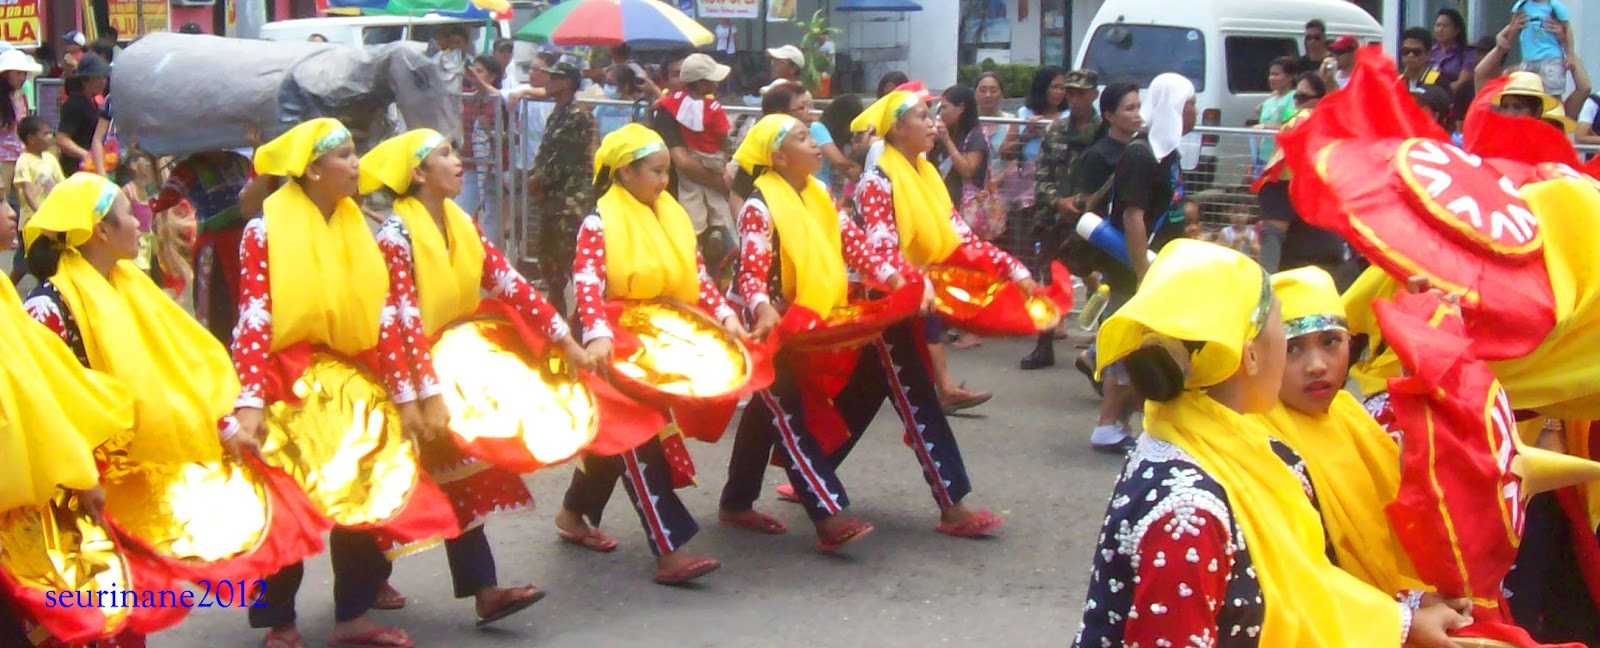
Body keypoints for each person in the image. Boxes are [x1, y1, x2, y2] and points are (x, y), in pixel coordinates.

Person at [1073, 239, 1470, 648]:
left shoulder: (1229, 446)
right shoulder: (1188, 512)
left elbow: (1304, 582)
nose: (1312, 362)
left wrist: (1403, 621)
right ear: (1251, 356)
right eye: (1286, 334)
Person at [362, 129, 590, 626]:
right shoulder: (395, 238)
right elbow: (399, 322)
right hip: (404, 373)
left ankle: (482, 591)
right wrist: (421, 398)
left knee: (453, 478)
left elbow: (509, 283)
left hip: (448, 368)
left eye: (455, 150)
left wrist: (563, 338)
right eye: (443, 154)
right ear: (418, 174)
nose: (458, 160)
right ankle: (360, 591)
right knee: (395, 482)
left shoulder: (461, 223)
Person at [229, 118, 420, 648]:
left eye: (356, 154)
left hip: (353, 373)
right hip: (286, 375)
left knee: (360, 486)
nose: (357, 165)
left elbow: (379, 313)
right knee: (286, 499)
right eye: (346, 155)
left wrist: (404, 393)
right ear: (313, 169)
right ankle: (279, 620)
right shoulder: (263, 230)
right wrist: (248, 400)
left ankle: (353, 613)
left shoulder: (361, 226)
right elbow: (255, 315)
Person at [718, 113, 921, 550]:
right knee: (788, 413)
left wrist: (894, 278)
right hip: (762, 325)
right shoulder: (759, 206)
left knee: (767, 408)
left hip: (802, 319)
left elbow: (856, 247)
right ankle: (828, 515)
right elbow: (751, 274)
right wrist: (761, 310)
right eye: (802, 138)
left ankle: (736, 501)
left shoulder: (820, 193)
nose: (815, 144)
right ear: (777, 157)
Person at [555, 124, 744, 585]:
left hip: (657, 339)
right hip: (611, 340)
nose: (664, 180)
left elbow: (697, 277)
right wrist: (597, 335)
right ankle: (669, 547)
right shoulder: (598, 222)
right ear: (625, 172)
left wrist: (726, 316)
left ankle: (573, 513)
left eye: (665, 171)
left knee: (621, 433)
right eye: (656, 171)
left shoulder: (672, 215)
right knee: (637, 434)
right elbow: (588, 284)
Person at [837, 88, 1024, 533]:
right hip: (887, 301)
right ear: (897, 129)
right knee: (918, 397)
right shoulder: (878, 179)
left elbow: (959, 235)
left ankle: (809, 470)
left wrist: (1013, 269)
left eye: (934, 114)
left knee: (865, 393)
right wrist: (912, 284)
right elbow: (882, 248)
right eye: (923, 116)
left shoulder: (926, 174)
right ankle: (952, 503)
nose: (934, 123)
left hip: (913, 296)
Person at [0, 197, 138, 648]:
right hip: (41, 489)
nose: (10, 213)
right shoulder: (45, 307)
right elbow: (41, 401)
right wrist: (79, 472)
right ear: (99, 230)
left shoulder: (127, 287)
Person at [1255, 266, 1428, 597]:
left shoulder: (1350, 414)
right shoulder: (1259, 438)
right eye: (1292, 348)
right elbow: (1299, 579)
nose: (1317, 365)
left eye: (1330, 342)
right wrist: (1404, 619)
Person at [1067, 82, 1141, 404]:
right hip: (1112, 241)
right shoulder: (1098, 156)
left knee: (1130, 306)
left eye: (1139, 107)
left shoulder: (1140, 148)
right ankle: (1106, 366)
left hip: (1134, 239)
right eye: (1129, 109)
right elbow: (1089, 206)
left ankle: (1099, 358)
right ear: (1109, 115)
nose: (1137, 115)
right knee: (1123, 305)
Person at [149, 149, 253, 343]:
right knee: (218, 309)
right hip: (215, 253)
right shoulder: (187, 169)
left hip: (247, 245)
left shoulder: (241, 162)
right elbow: (164, 200)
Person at [527, 61, 595, 317]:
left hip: (568, 200)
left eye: (554, 78)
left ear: (567, 83)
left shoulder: (577, 117)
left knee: (570, 261)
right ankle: (556, 315)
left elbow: (565, 158)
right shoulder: (557, 113)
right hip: (551, 200)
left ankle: (584, 317)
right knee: (548, 259)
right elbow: (545, 153)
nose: (548, 81)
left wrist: (539, 180)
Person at [657, 53, 734, 239]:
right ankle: (721, 230)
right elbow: (684, 163)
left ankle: (695, 233)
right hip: (712, 159)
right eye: (675, 74)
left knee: (691, 198)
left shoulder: (673, 104)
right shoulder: (713, 108)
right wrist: (723, 177)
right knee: (717, 202)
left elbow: (661, 101)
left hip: (693, 159)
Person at [10, 116, 61, 284]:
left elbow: (61, 184)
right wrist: (39, 212)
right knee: (24, 259)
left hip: (51, 219)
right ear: (31, 139)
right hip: (31, 220)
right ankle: (8, 287)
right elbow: (27, 190)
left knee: (47, 256)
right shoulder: (24, 161)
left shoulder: (50, 159)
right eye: (45, 134)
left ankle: (44, 287)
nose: (50, 138)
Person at [56, 54, 108, 176]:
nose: (103, 81)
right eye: (99, 77)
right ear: (86, 80)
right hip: (77, 168)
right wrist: (85, 154)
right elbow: (62, 139)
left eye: (105, 77)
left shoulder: (95, 102)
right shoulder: (74, 104)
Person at [0, 48, 39, 208]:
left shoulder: (19, 97)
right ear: (5, 74)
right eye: (18, 73)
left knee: (25, 205)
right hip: (3, 159)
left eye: (24, 73)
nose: (23, 78)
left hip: (20, 158)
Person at [1512, 0, 1570, 96]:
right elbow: (1512, 28)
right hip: (1528, 59)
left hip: (1551, 58)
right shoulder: (1521, 5)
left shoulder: (1554, 6)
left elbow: (1567, 29)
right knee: (1526, 96)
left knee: (1553, 95)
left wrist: (1569, 54)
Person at [1430, 9, 1478, 99]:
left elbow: (1462, 83)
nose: (1440, 29)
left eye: (1445, 26)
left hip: (1453, 99)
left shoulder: (1467, 53)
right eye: (1438, 25)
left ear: (1457, 30)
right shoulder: (1428, 51)